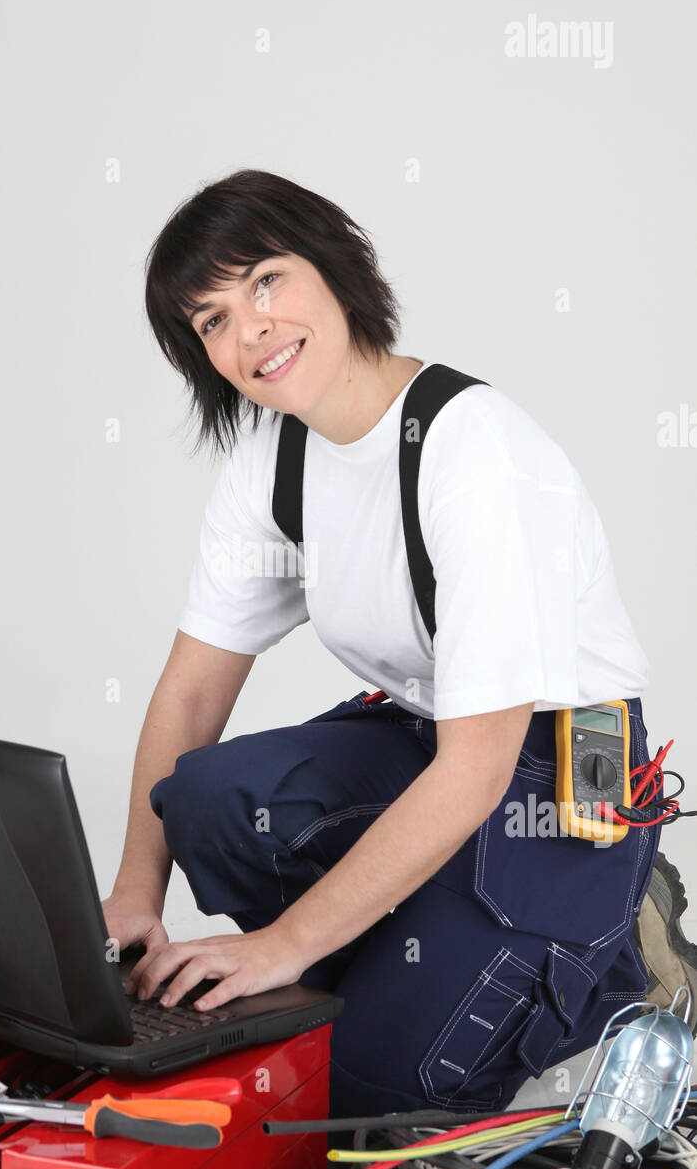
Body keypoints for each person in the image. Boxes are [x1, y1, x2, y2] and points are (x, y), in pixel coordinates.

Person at [101, 168, 696, 1117]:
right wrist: (135, 894)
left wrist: (281, 946)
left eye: (263, 280)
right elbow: (188, 697)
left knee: (360, 1094)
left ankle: (619, 960)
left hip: (552, 778)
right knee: (206, 799)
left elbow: (478, 771)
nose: (248, 330)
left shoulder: (475, 455)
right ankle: (418, 949)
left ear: (335, 266)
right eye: (210, 320)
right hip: (425, 744)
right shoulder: (275, 461)